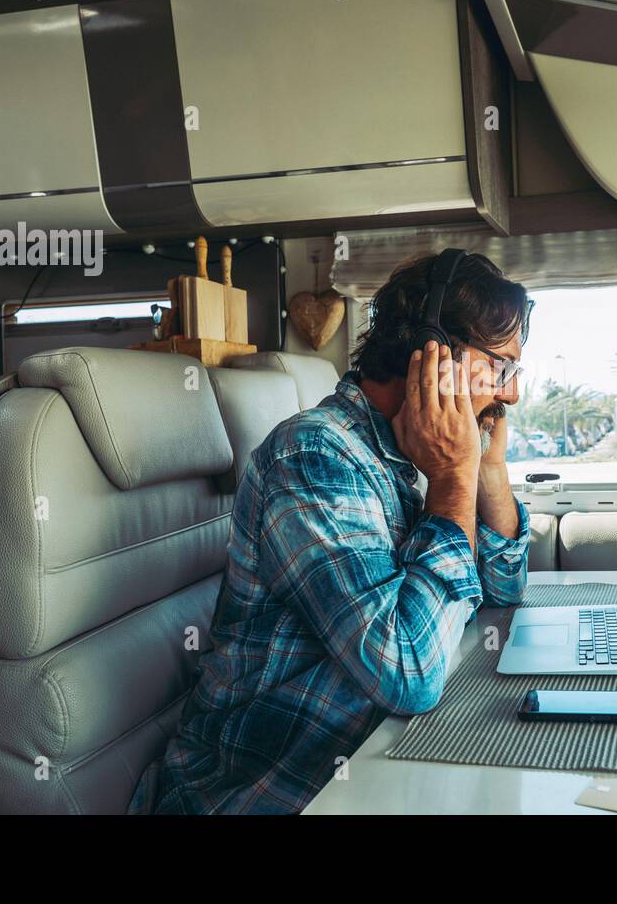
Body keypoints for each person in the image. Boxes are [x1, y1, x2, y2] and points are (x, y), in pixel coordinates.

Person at [130, 251, 533, 813]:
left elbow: (502, 596)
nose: (512, 393)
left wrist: (486, 468)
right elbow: (409, 671)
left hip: (364, 772)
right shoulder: (315, 455)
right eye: (502, 367)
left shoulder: (397, 454)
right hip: (264, 796)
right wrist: (452, 477)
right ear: (433, 351)